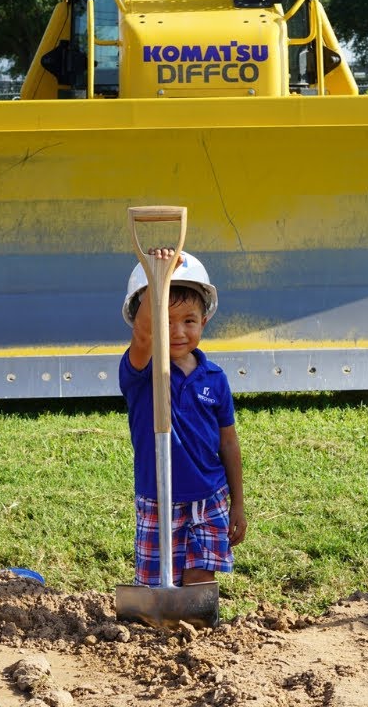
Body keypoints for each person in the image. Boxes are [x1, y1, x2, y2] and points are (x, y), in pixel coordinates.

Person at [120, 250, 246, 588]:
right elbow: (146, 337)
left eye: (189, 320)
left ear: (204, 321)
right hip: (157, 498)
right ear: (142, 317)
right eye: (165, 319)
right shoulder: (141, 372)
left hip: (209, 497)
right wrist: (157, 278)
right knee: (154, 588)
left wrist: (238, 503)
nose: (177, 332)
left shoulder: (214, 378)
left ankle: (197, 633)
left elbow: (228, 443)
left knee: (199, 582)